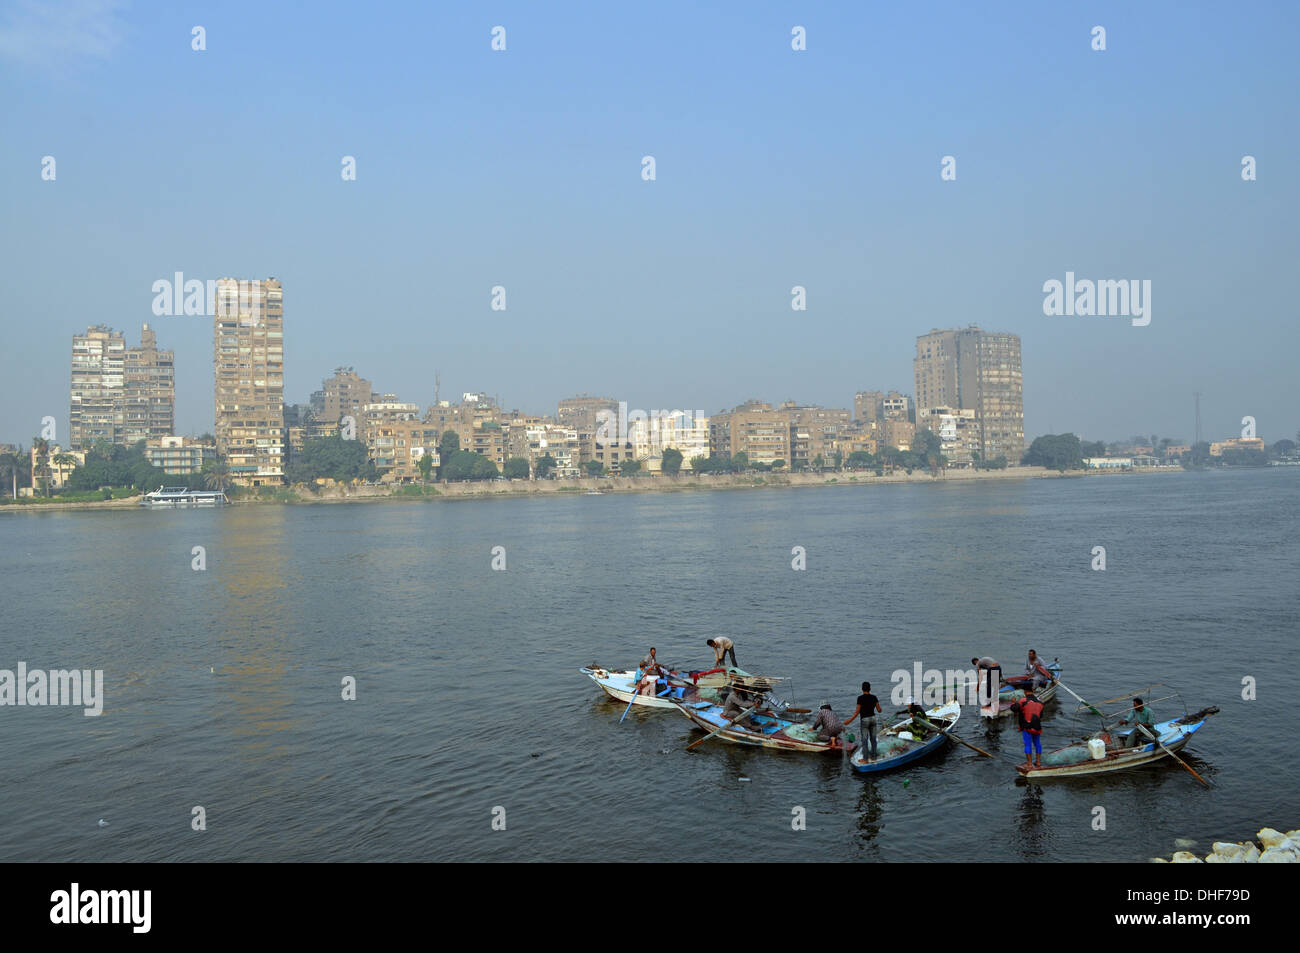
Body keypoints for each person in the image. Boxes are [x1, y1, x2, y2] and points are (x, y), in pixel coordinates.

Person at [843, 681, 883, 760]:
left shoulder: (860, 698)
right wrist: (877, 706)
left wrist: (849, 721)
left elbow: (857, 712)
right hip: (873, 719)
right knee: (873, 739)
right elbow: (879, 710)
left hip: (864, 720)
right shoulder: (874, 697)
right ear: (870, 689)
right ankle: (874, 757)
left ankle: (865, 759)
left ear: (862, 689)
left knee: (864, 740)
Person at [1010, 686, 1045, 768]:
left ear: (1024, 692)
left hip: (1027, 726)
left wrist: (1013, 702)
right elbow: (1041, 716)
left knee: (1028, 744)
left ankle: (1029, 764)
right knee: (1037, 744)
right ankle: (1038, 762)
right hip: (1037, 726)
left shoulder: (1023, 700)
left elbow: (1014, 708)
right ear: (1033, 691)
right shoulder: (1040, 703)